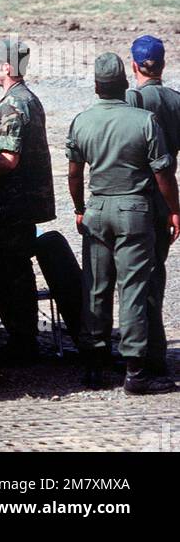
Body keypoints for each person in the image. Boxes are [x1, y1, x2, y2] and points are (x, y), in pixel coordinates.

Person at [66, 51, 180, 394]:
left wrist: (80, 207)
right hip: (134, 210)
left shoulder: (82, 120)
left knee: (96, 286)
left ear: (97, 86)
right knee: (133, 289)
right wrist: (174, 209)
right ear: (124, 83)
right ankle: (135, 370)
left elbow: (74, 173)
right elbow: (163, 174)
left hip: (97, 208)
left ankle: (94, 365)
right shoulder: (144, 121)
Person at [0, 36, 55, 362]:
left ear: (7, 67)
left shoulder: (12, 104)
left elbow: (9, 160)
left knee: (8, 271)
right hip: (26, 202)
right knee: (14, 268)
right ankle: (23, 336)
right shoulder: (27, 99)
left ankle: (23, 341)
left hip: (14, 204)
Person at [126, 34, 180, 375]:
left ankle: (141, 355)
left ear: (134, 65)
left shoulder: (131, 101)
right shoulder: (176, 101)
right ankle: (152, 351)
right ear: (162, 64)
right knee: (154, 277)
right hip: (163, 202)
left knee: (132, 281)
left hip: (134, 199)